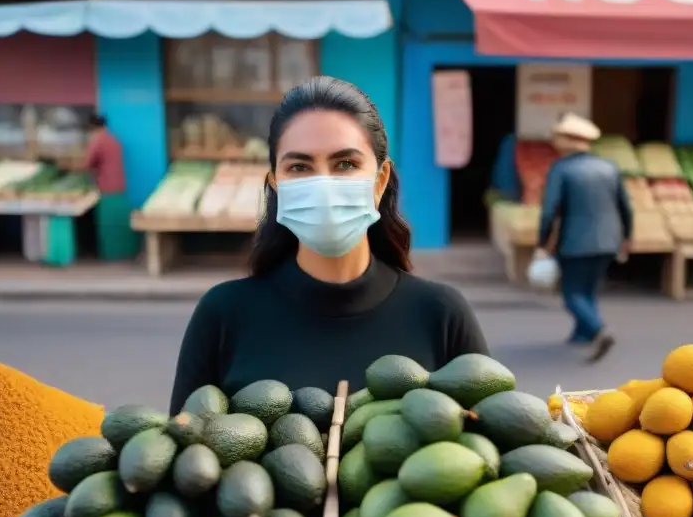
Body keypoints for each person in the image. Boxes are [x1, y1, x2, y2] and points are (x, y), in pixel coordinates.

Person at [169, 76, 488, 414]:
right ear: (275, 183)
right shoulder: (223, 315)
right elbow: (184, 454)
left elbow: (495, 442)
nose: (323, 184)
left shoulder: (440, 314)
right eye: (299, 167)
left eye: (346, 164)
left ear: (379, 181)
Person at [536, 113, 632, 362]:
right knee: (588, 289)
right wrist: (627, 236)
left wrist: (542, 243)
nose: (554, 141)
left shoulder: (562, 168)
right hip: (608, 240)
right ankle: (582, 333)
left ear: (569, 140)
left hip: (576, 242)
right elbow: (625, 206)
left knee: (572, 295)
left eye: (557, 137)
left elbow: (549, 210)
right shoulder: (608, 166)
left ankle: (600, 331)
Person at [82, 114, 136, 261]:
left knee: (108, 224)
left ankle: (111, 254)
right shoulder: (114, 140)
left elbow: (86, 164)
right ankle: (125, 251)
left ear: (93, 127)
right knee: (120, 221)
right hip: (119, 186)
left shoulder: (98, 141)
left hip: (106, 187)